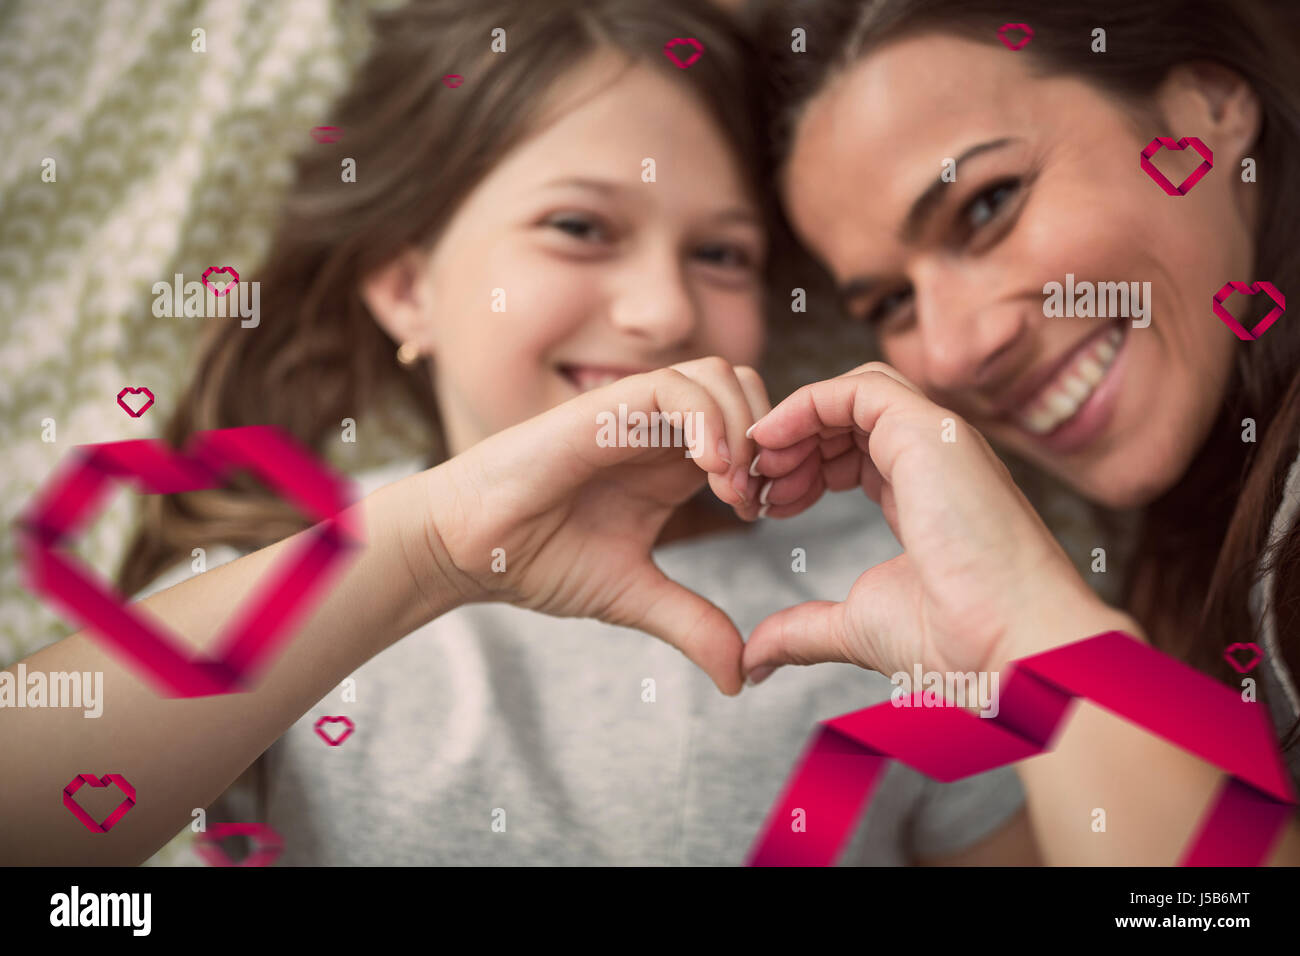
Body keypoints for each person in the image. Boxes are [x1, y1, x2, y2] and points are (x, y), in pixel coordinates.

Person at [0, 0, 1029, 866]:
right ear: (409, 290)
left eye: (721, 253)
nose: (663, 312)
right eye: (580, 227)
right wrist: (431, 546)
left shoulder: (879, 588)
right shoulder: (299, 582)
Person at [739, 0, 1300, 864]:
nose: (956, 351)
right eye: (892, 304)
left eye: (987, 204)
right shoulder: (1203, 527)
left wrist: (1025, 631)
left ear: (1208, 109)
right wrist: (840, 777)